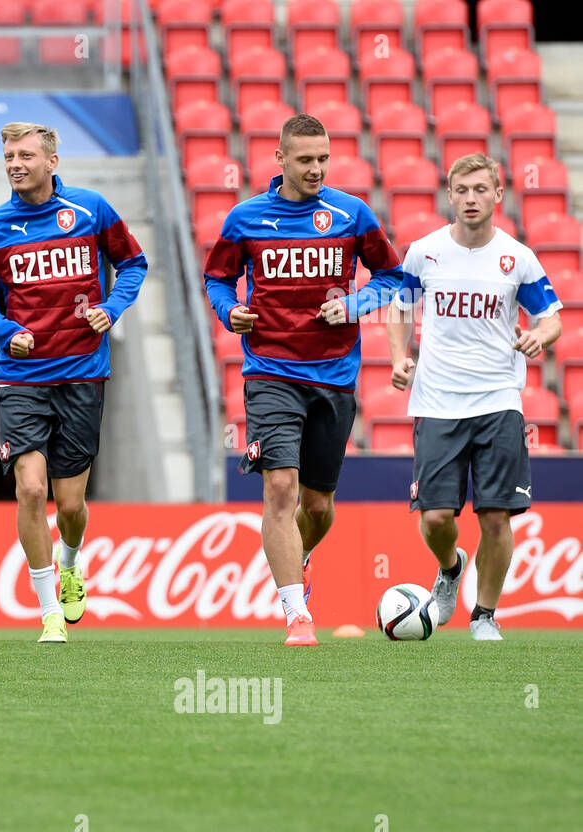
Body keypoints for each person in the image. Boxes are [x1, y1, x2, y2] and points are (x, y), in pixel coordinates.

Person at [204, 113, 404, 647]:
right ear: (280, 159)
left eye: (323, 159)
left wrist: (358, 303)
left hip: (334, 376)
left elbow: (392, 277)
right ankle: (297, 613)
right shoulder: (246, 218)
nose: (316, 169)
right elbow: (217, 279)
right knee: (280, 487)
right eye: (305, 160)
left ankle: (302, 554)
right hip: (270, 370)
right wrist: (230, 312)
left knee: (316, 506)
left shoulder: (351, 213)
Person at [0, 122, 148, 644]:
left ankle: (70, 563)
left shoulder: (90, 210)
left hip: (83, 373)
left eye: (25, 155)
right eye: (8, 156)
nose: (15, 163)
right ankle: (47, 612)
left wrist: (112, 308)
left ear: (52, 161)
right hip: (19, 376)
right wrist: (5, 332)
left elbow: (134, 262)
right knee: (30, 489)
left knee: (69, 505)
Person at [388, 153, 562, 641]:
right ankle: (449, 568)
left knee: (495, 515)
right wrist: (400, 357)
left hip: (499, 401)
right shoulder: (424, 252)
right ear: (449, 195)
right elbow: (400, 309)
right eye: (462, 190)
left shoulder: (517, 257)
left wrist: (539, 337)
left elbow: (552, 317)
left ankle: (484, 615)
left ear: (498, 195)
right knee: (437, 516)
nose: (470, 198)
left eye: (480, 189)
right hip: (437, 402)